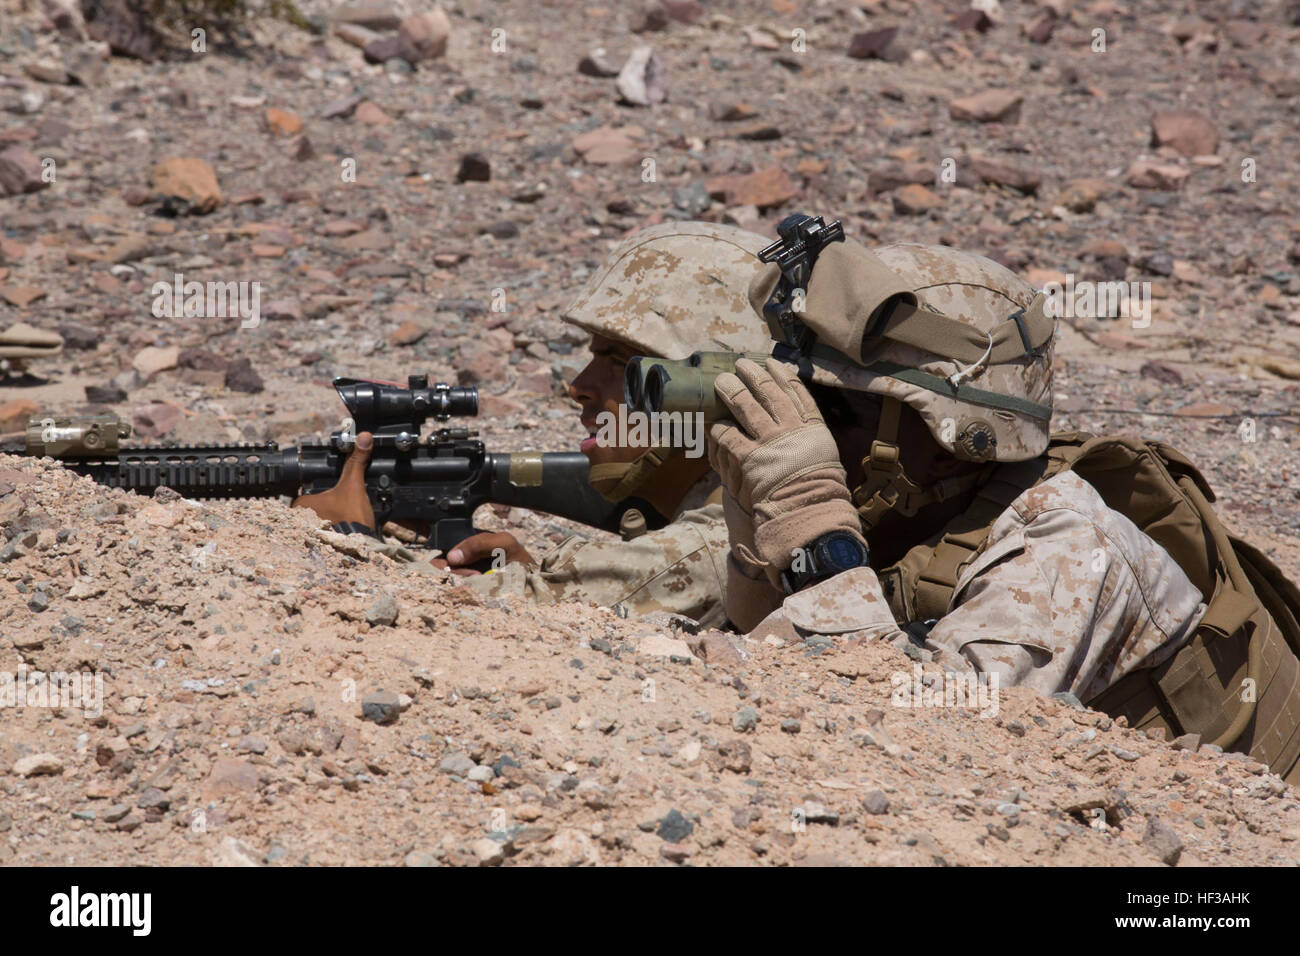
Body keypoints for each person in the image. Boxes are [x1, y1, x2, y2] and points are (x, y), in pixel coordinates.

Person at [707, 236, 1300, 780]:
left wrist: (811, 518)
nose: (807, 426)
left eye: (840, 412)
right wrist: (760, 517)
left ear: (953, 446)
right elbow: (765, 660)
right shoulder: (915, 510)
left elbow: (918, 746)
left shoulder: (1064, 545)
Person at [293, 222, 775, 626]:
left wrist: (348, 539)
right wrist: (530, 579)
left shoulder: (727, 544)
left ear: (714, 390)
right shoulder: (747, 512)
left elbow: (431, 613)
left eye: (622, 363)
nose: (580, 386)